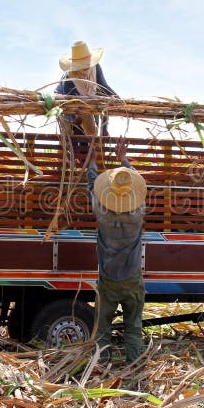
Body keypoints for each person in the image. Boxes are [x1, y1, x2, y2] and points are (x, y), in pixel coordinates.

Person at [87, 138, 147, 363]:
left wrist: (92, 161)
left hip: (108, 279)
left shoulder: (102, 210)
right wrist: (124, 159)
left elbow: (92, 185)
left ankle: (102, 367)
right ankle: (135, 370)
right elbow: (138, 186)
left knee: (102, 330)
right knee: (133, 327)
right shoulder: (138, 211)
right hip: (132, 278)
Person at [56, 40, 118, 137]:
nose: (86, 66)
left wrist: (118, 99)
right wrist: (74, 122)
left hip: (87, 100)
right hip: (67, 101)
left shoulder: (95, 68)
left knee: (92, 132)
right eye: (82, 64)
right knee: (70, 134)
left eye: (87, 62)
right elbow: (68, 103)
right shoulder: (69, 79)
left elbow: (104, 87)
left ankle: (91, 144)